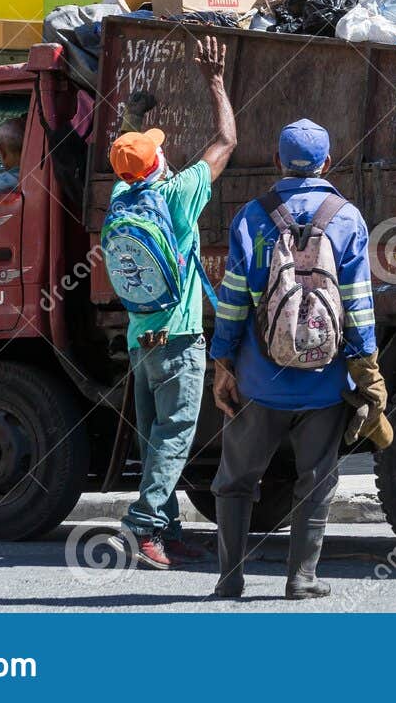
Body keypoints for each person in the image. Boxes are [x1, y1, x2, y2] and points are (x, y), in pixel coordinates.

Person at [209, 119, 391, 601]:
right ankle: (301, 578)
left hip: (259, 379)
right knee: (317, 478)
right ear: (327, 164)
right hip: (324, 382)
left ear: (277, 162)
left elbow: (232, 300)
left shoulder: (251, 216)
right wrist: (365, 367)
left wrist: (222, 362)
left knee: (235, 481)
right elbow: (357, 302)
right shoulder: (347, 217)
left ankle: (230, 580)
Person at [112, 36, 237, 569]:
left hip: (141, 341)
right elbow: (226, 140)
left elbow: (127, 152)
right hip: (180, 342)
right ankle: (143, 525)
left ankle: (167, 529)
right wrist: (214, 80)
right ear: (158, 159)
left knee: (154, 438)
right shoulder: (180, 193)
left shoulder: (121, 196)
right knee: (174, 435)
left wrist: (131, 115)